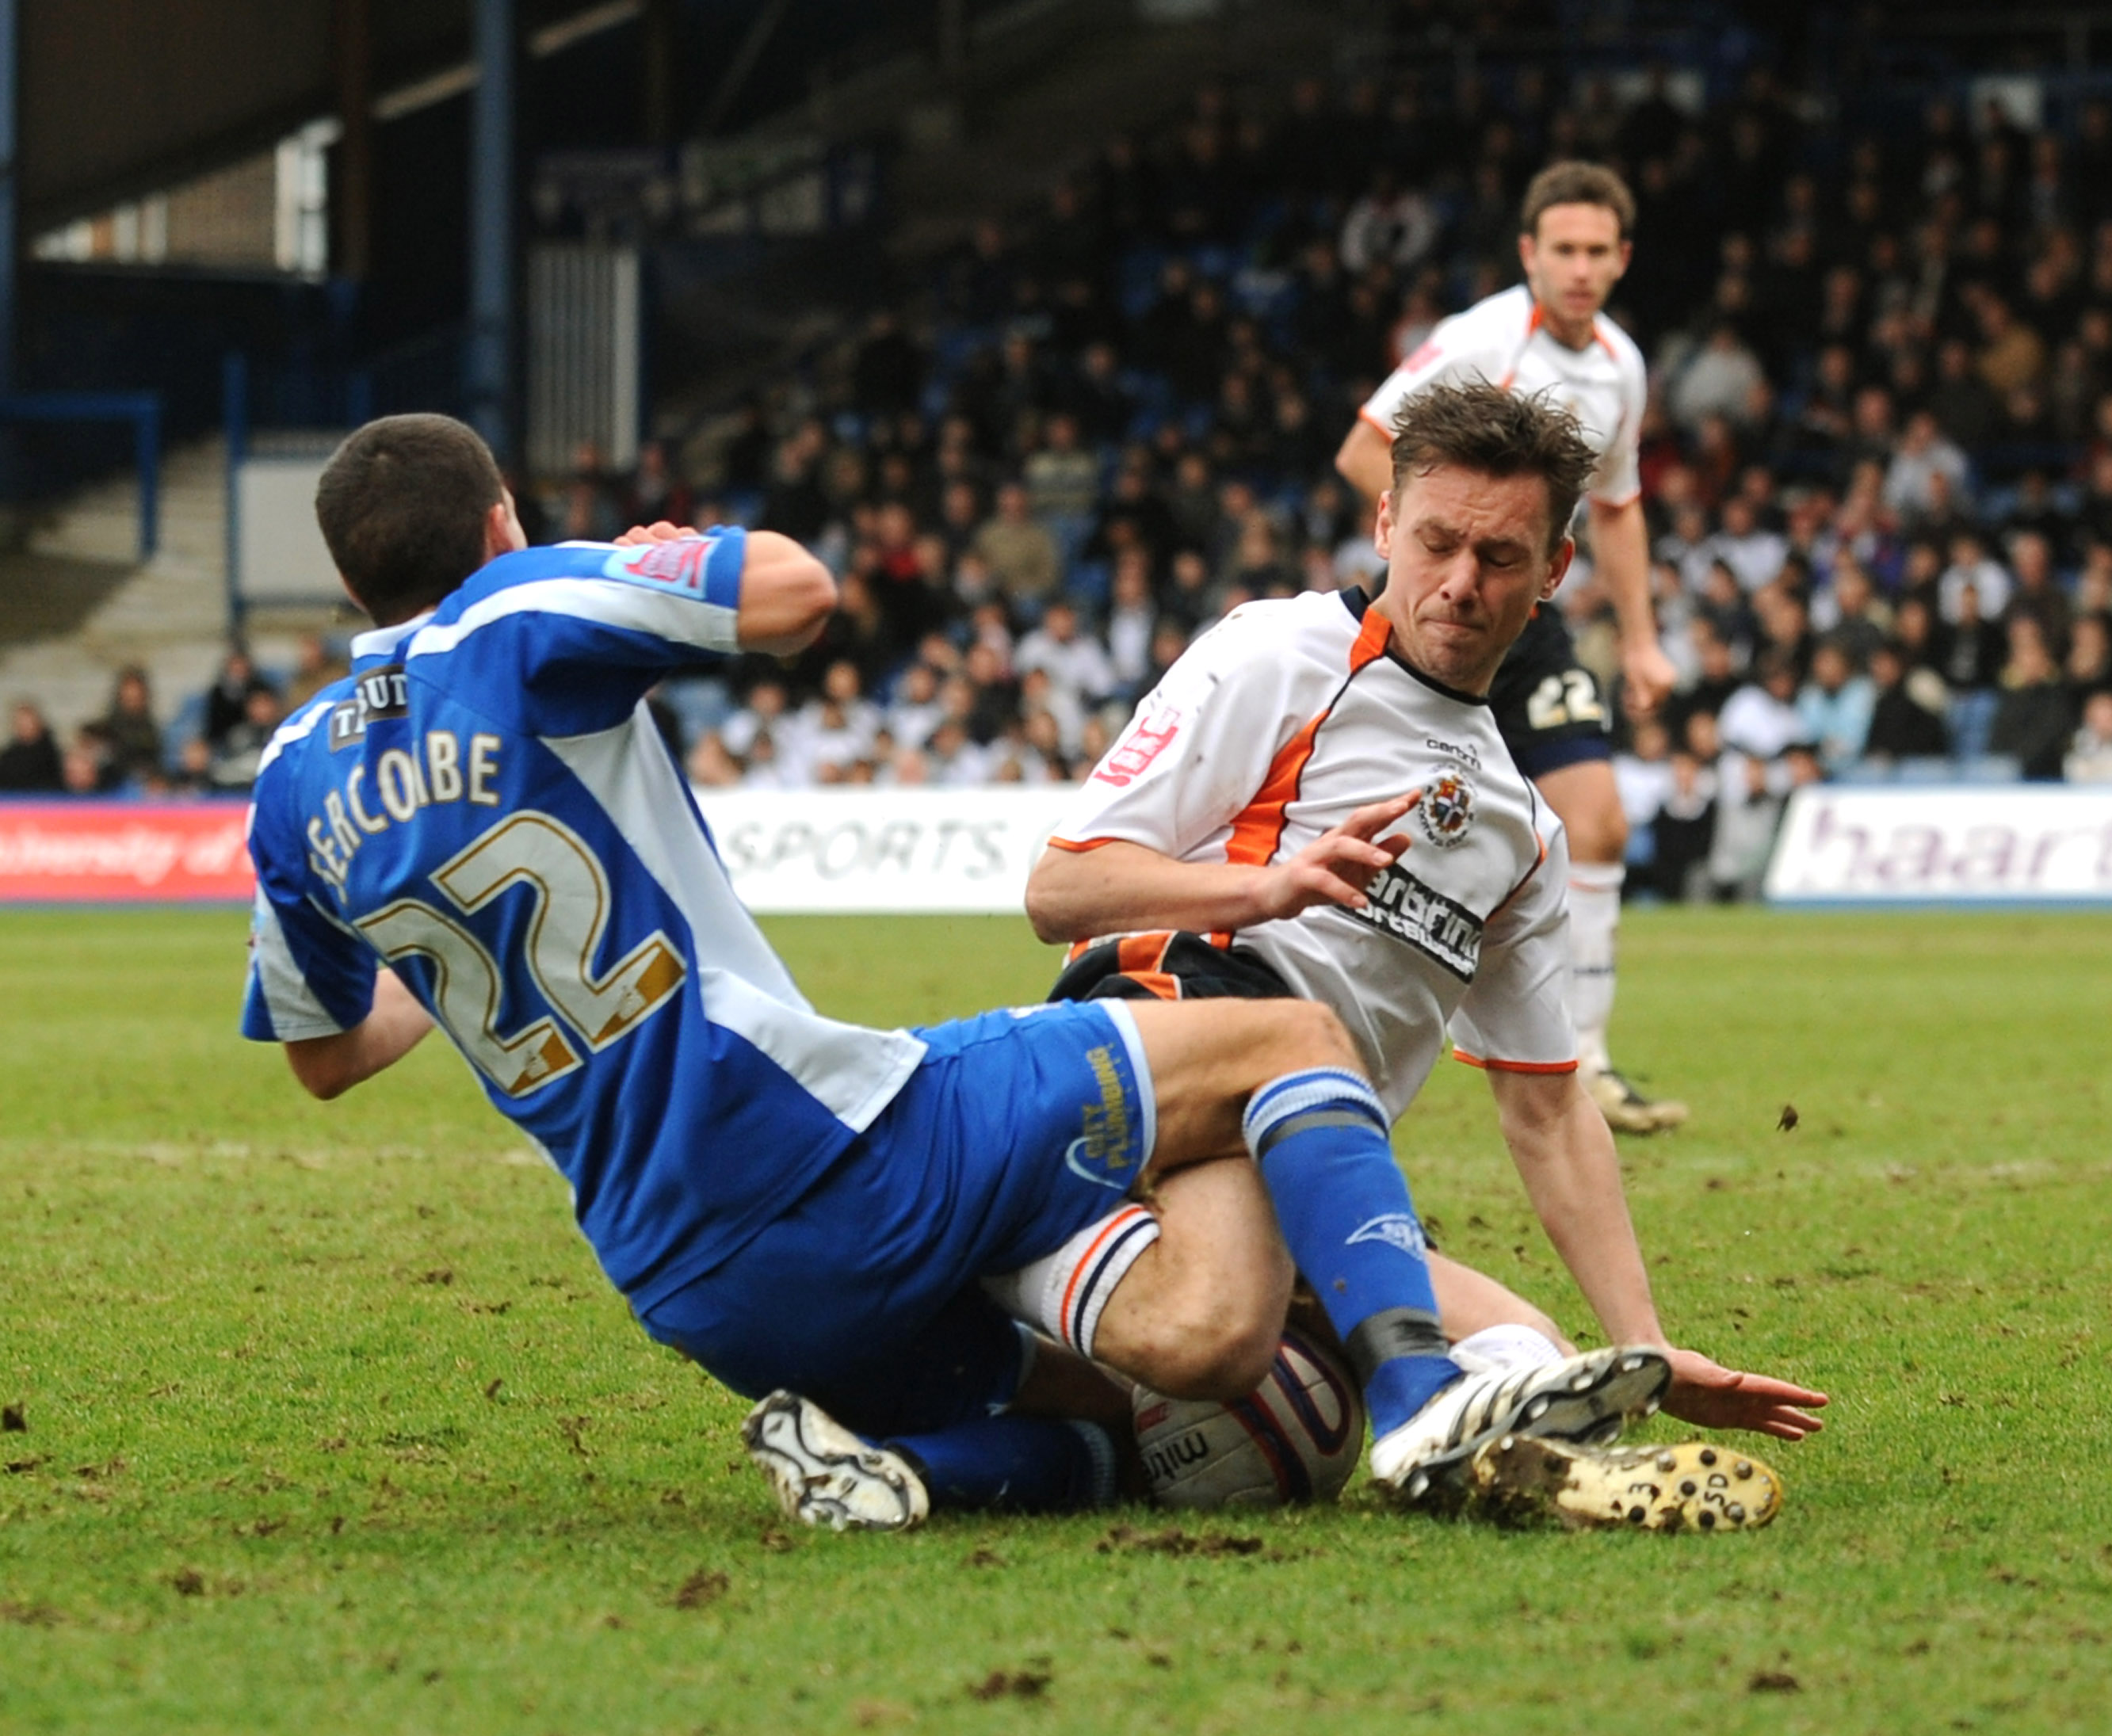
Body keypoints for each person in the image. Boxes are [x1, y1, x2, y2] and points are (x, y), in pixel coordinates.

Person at [239, 414, 1692, 1535]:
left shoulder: (291, 779)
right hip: (836, 1144)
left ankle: (909, 1475)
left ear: (350, 578)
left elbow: (324, 1053)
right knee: (1287, 1034)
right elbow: (795, 592)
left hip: (683, 1273)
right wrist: (657, 548)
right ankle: (1420, 1395)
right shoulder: (514, 607)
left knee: (1143, 1423)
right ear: (503, 520)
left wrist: (467, 945)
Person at [1033, 381, 1824, 1447]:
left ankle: (941, 1417)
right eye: (1437, 543)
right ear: (1384, 525)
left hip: (1308, 1156)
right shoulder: (1280, 652)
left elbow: (1546, 1112)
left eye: (1500, 559)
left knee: (1518, 1353)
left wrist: (1648, 1341)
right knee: (1229, 1333)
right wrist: (1264, 888)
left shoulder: (1521, 831)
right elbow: (1062, 888)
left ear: (1552, 571)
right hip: (1163, 1041)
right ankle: (1415, 1408)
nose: (1460, 584)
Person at [1333, 161, 1687, 1134]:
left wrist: (1644, 641)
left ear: (1621, 259)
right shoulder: (1481, 340)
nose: (1577, 268)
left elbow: (1615, 509)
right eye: (1560, 250)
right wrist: (1449, 547)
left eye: (1595, 251)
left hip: (1533, 619)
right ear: (1529, 253)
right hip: (1438, 611)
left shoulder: (1619, 364)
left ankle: (1590, 1064)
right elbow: (1366, 449)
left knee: (1600, 824)